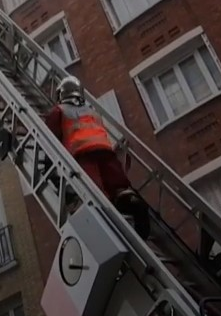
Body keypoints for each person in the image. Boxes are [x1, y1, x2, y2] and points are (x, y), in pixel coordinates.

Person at [43, 76, 150, 239]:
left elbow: (50, 140)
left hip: (82, 156)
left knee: (97, 197)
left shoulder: (59, 112)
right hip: (106, 153)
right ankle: (132, 207)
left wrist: (50, 172)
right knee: (120, 190)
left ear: (61, 95)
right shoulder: (92, 112)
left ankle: (109, 227)